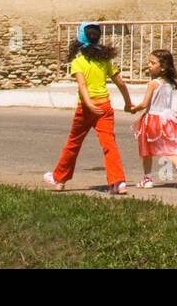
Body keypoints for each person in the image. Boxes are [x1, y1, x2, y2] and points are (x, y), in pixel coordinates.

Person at [44, 23, 134, 193]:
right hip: (105, 107)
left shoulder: (78, 62)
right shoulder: (104, 61)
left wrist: (89, 104)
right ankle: (118, 182)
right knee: (109, 144)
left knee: (73, 143)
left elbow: (82, 85)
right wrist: (128, 103)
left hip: (87, 108)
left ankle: (59, 179)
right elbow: (120, 82)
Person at [127, 49, 177, 189]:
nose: (149, 65)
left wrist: (134, 109)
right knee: (168, 148)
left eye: (153, 63)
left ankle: (147, 178)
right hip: (168, 118)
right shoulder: (170, 84)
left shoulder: (153, 84)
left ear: (162, 67)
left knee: (146, 150)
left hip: (152, 119)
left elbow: (145, 104)